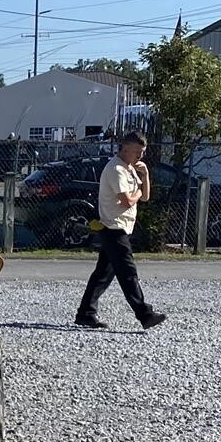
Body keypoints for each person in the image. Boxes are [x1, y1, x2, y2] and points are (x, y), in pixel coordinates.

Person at [75, 132, 167, 330]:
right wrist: (140, 190)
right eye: (137, 152)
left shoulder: (130, 168)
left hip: (121, 227)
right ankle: (145, 314)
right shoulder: (116, 169)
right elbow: (126, 201)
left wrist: (145, 176)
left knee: (102, 274)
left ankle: (85, 313)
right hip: (113, 227)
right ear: (125, 149)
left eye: (142, 152)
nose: (140, 157)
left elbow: (145, 198)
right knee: (128, 273)